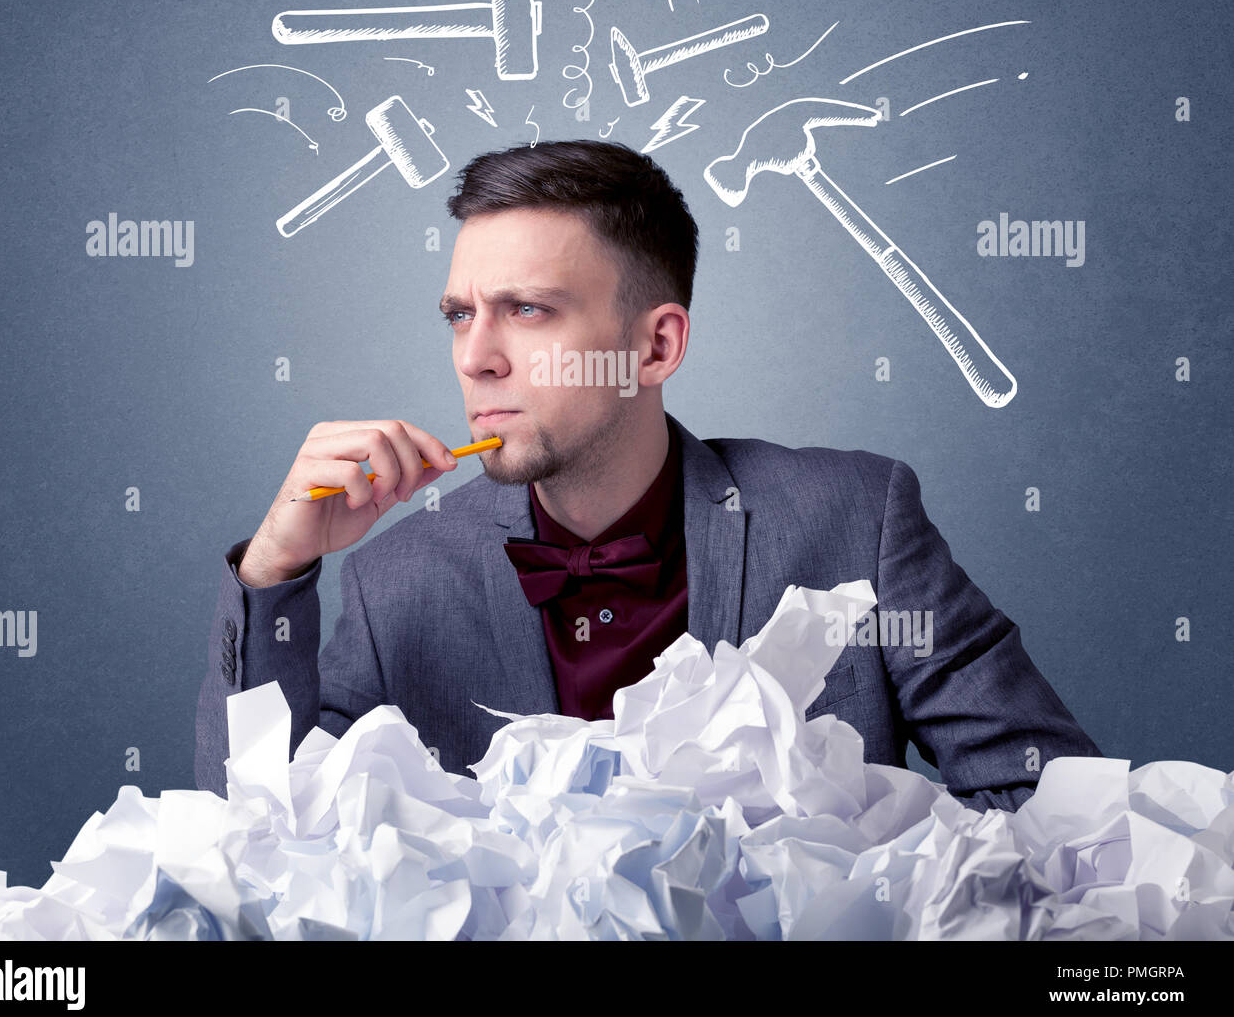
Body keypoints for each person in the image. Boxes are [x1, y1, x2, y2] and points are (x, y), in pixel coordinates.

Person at [194, 139, 1101, 810]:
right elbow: (266, 846)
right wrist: (275, 576)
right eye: (459, 315)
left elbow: (1052, 812)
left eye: (529, 311)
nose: (476, 357)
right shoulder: (399, 582)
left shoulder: (856, 518)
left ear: (655, 345)